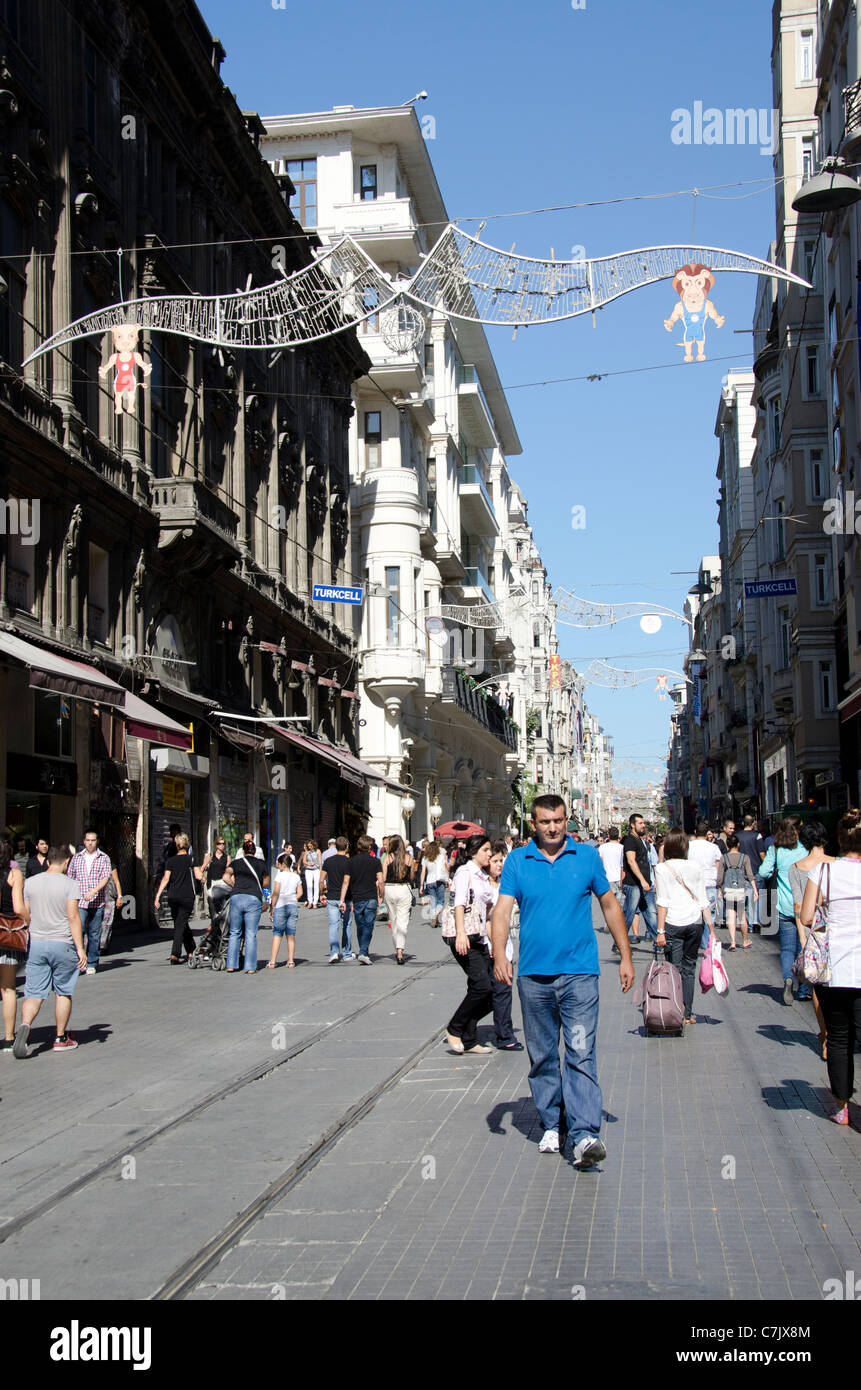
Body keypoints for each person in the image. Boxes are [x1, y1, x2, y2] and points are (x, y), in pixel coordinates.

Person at [492, 794, 633, 1168]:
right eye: (544, 822)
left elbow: (608, 904)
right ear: (533, 824)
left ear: (566, 820)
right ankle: (552, 1121)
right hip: (533, 978)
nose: (552, 828)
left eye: (558, 821)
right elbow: (502, 911)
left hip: (579, 977)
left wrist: (626, 955)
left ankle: (586, 1133)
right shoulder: (518, 861)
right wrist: (499, 954)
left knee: (580, 1052)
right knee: (541, 1057)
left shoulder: (586, 856)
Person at [800, 808, 861, 1124]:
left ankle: (842, 1107)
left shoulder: (822, 872)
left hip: (833, 969)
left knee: (838, 1038)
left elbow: (807, 917)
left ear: (838, 839)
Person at [12, 845, 87, 1056]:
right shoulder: (70, 884)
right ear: (66, 862)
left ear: (48, 861)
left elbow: (26, 913)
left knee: (34, 992)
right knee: (63, 991)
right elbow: (73, 917)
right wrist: (80, 949)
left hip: (37, 943)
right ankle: (61, 1037)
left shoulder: (30, 883)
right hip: (62, 943)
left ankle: (25, 1026)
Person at [655, 828, 716, 1025]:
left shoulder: (662, 869)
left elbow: (662, 901)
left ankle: (675, 1009)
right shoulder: (695, 867)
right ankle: (687, 1013)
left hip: (672, 923)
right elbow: (703, 899)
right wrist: (711, 928)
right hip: (695, 923)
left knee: (674, 969)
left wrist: (660, 931)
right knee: (689, 969)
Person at [443, 834, 496, 1055]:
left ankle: (470, 1038)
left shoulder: (483, 875)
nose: (490, 853)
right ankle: (455, 1028)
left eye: (490, 849)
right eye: (485, 850)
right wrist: (462, 934)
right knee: (482, 986)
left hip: (480, 937)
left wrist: (492, 943)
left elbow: (488, 910)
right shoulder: (465, 872)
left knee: (490, 992)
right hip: (466, 938)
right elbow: (459, 904)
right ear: (473, 852)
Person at [790, 820, 835, 1053]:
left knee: (818, 985)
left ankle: (826, 1035)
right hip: (837, 930)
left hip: (813, 933)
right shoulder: (837, 864)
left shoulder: (797, 867)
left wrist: (803, 937)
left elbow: (799, 907)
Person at [759, 818, 806, 1005]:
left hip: (784, 906)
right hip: (804, 906)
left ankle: (788, 978)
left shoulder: (775, 850)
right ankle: (804, 988)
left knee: (787, 949)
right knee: (803, 947)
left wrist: (775, 872)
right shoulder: (804, 849)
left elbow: (763, 872)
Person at [487, 841, 522, 1049]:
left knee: (499, 990)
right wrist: (495, 947)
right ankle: (504, 1035)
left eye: (501, 860)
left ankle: (503, 1032)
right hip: (491, 945)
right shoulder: (483, 884)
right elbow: (486, 919)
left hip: (505, 943)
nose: (500, 864)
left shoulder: (504, 884)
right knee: (497, 990)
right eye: (495, 861)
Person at [67, 830, 112, 975]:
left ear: (97, 841)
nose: (90, 843)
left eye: (93, 840)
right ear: (84, 841)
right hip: (79, 902)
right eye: (88, 840)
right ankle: (78, 961)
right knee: (78, 931)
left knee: (94, 933)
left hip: (97, 902)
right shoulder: (77, 858)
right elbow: (70, 877)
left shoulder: (104, 858)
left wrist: (94, 891)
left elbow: (106, 877)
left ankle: (92, 962)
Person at [0, 833, 28, 1053]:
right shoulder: (14, 873)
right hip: (6, 935)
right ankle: (9, 1038)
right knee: (8, 988)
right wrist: (30, 921)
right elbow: (18, 907)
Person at [226, 837, 270, 973]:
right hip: (253, 898)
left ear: (243, 851)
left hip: (237, 897)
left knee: (234, 932)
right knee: (251, 933)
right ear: (255, 851)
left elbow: (225, 877)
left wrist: (235, 886)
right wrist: (255, 888)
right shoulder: (261, 864)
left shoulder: (236, 863)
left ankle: (231, 965)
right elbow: (266, 881)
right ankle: (250, 967)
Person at [339, 836, 384, 964]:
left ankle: (363, 951)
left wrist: (342, 899)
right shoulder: (375, 862)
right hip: (371, 897)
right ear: (370, 847)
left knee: (360, 925)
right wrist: (382, 895)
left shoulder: (351, 862)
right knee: (369, 925)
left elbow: (346, 881)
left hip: (357, 898)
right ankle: (364, 952)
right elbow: (380, 881)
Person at [154, 833, 198, 963]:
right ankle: (175, 953)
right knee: (181, 924)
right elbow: (199, 876)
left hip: (173, 896)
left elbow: (166, 879)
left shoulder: (171, 861)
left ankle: (192, 950)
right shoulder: (191, 859)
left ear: (176, 845)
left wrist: (158, 896)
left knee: (180, 923)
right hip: (187, 896)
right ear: (187, 844)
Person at [620, 813, 658, 948]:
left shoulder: (641, 841)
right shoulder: (630, 840)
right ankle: (619, 943)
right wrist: (642, 880)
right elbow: (631, 861)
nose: (643, 826)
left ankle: (659, 942)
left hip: (644, 884)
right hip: (634, 884)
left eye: (644, 823)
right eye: (640, 823)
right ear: (632, 825)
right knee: (629, 914)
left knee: (650, 913)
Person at [716, 833, 756, 950]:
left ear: (727, 845)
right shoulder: (745, 857)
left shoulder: (724, 858)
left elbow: (720, 878)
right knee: (742, 917)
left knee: (730, 916)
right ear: (738, 844)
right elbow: (750, 875)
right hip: (740, 891)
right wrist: (755, 890)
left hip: (728, 890)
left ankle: (733, 942)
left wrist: (719, 888)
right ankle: (744, 940)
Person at [687, 820, 723, 948]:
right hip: (709, 882)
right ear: (707, 833)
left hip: (693, 884)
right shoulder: (714, 848)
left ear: (696, 832)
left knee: (695, 913)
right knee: (710, 913)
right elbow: (717, 866)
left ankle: (695, 941)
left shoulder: (689, 846)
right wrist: (718, 883)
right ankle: (707, 941)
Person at [383, 834, 414, 965]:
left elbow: (384, 877)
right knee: (403, 921)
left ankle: (397, 948)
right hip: (404, 889)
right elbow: (412, 877)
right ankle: (400, 951)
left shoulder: (387, 858)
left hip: (390, 888)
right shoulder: (409, 858)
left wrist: (380, 894)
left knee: (394, 920)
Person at [321, 837, 354, 962]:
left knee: (333, 925)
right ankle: (346, 953)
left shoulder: (328, 861)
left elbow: (321, 879)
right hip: (345, 898)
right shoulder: (348, 862)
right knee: (347, 925)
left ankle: (334, 952)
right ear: (346, 847)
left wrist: (321, 893)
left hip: (331, 897)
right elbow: (347, 882)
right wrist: (343, 899)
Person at [268, 853, 303, 968]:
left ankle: (273, 961)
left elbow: (276, 892)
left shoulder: (280, 876)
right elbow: (300, 893)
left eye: (279, 864)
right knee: (291, 934)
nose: (278, 866)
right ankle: (291, 960)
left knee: (277, 933)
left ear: (283, 865)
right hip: (292, 906)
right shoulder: (296, 876)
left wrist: (272, 907)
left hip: (281, 906)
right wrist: (293, 898)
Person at [736, 813, 764, 932]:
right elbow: (762, 853)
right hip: (757, 869)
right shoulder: (757, 836)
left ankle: (752, 922)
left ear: (743, 823)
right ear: (753, 824)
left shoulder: (737, 836)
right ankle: (758, 921)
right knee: (759, 895)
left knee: (749, 897)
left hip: (743, 870)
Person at [419, 838, 449, 927]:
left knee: (433, 900)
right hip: (439, 880)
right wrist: (447, 880)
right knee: (441, 901)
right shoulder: (440, 856)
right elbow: (444, 869)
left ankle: (434, 918)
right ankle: (435, 914)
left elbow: (423, 872)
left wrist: (421, 885)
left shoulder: (425, 858)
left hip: (429, 881)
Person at [202, 837, 231, 916]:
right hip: (211, 882)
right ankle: (213, 920)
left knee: (221, 903)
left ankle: (220, 919)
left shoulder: (227, 857)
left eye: (223, 844)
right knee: (211, 902)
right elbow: (203, 866)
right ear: (216, 845)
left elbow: (228, 871)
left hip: (222, 882)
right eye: (219, 844)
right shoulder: (210, 856)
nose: (222, 845)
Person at [597, 826, 624, 909]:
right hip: (620, 878)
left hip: (608, 879)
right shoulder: (622, 847)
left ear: (608, 836)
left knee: (610, 908)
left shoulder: (602, 847)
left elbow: (599, 863)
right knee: (621, 907)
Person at [300, 840, 322, 908]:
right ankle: (310, 901)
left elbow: (320, 862)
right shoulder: (307, 852)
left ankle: (315, 902)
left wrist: (320, 870)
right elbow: (304, 861)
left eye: (310, 846)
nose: (309, 847)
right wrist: (309, 864)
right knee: (309, 886)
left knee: (316, 886)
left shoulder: (318, 851)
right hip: (308, 870)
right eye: (308, 846)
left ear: (314, 845)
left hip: (316, 869)